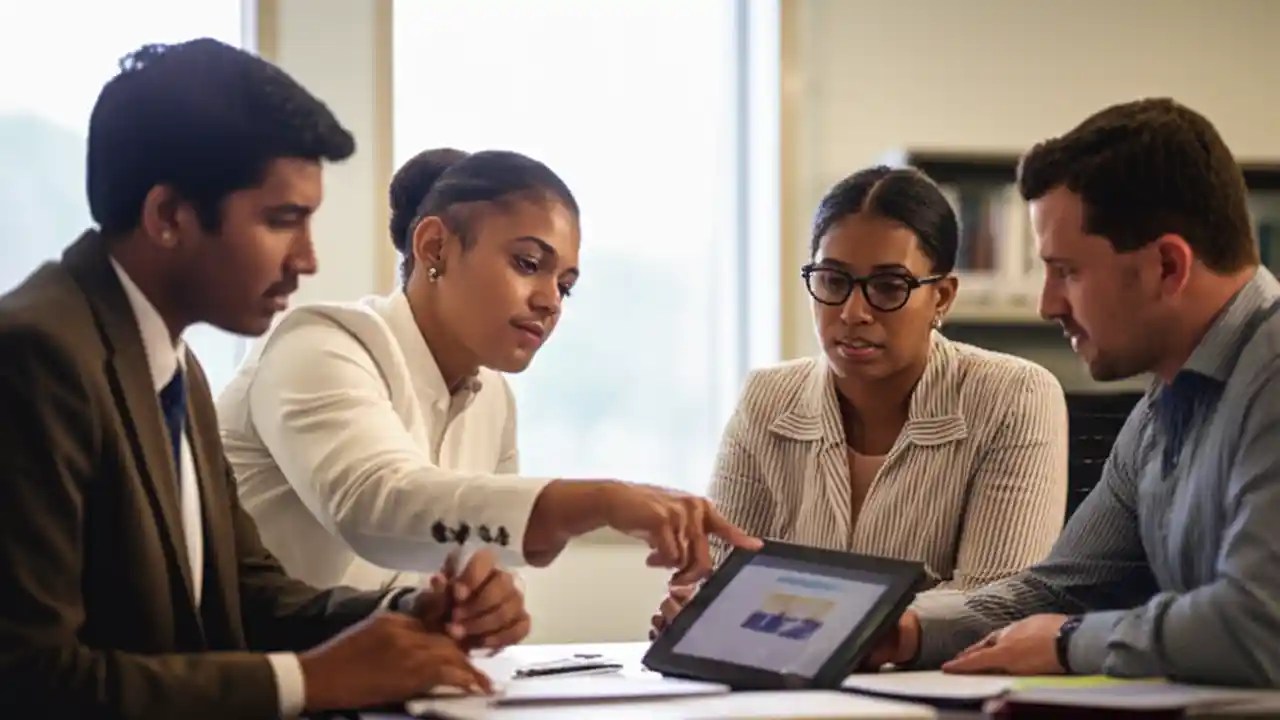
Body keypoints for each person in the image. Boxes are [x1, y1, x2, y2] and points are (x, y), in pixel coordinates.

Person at [0, 39, 528, 718]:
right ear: (168, 217)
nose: (307, 259)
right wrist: (309, 683)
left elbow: (247, 596)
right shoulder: (37, 356)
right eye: (283, 221)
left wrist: (407, 613)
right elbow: (29, 679)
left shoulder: (171, 365)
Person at [867, 97, 1280, 688]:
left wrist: (1068, 642)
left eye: (1068, 272)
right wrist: (906, 630)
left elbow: (1258, 625)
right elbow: (1055, 590)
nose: (1046, 304)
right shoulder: (1159, 411)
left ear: (1168, 266)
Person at [216, 147, 761, 592]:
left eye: (566, 285)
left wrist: (492, 606)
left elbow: (492, 569)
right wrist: (601, 500)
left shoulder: (493, 397)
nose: (551, 302)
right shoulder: (320, 345)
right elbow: (375, 507)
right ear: (435, 247)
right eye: (528, 264)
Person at [652, 165, 1069, 636]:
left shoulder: (1013, 396)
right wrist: (695, 610)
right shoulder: (767, 398)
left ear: (942, 298)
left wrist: (793, 619)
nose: (853, 312)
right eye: (832, 281)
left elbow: (995, 599)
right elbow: (721, 581)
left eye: (889, 287)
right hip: (783, 689)